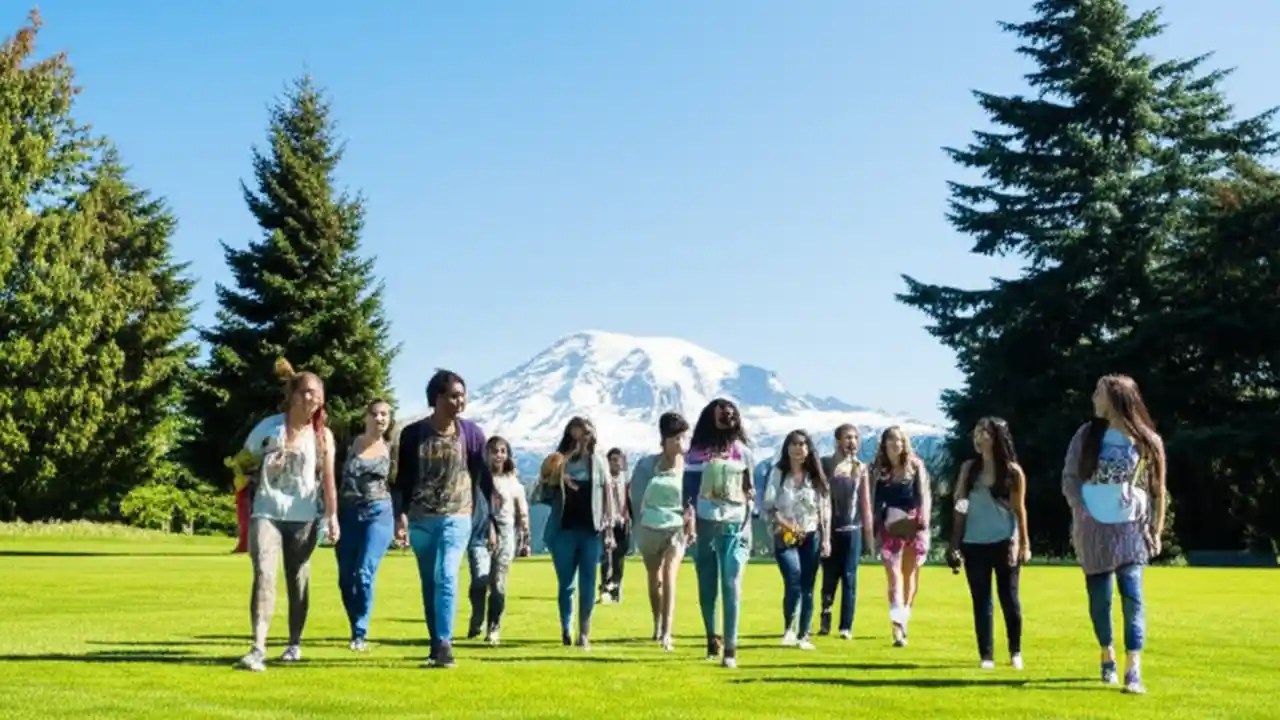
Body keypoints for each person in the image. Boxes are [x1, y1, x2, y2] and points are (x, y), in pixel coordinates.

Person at [1062, 374, 1167, 695]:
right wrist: (1080, 509)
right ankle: (1106, 653)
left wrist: (1156, 529)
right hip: (1093, 528)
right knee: (1100, 600)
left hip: (1131, 528)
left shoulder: (1148, 441)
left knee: (1133, 596)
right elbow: (1069, 478)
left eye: (1099, 392)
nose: (1094, 397)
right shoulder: (1086, 435)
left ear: (1116, 398)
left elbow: (1157, 490)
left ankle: (1133, 668)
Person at [235, 359, 339, 672]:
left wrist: (332, 517)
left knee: (298, 579)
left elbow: (329, 480)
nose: (314, 399)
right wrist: (260, 467)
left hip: (304, 516)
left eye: (318, 394)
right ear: (294, 396)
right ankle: (258, 647)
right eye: (308, 393)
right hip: (266, 511)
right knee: (264, 575)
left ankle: (294, 643)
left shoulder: (323, 437)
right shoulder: (268, 428)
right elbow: (242, 464)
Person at [394, 369, 494, 669]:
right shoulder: (413, 434)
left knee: (447, 574)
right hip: (421, 518)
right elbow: (403, 479)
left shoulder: (473, 434)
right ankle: (435, 642)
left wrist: (490, 522)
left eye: (462, 395)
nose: (460, 400)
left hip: (458, 515)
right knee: (429, 581)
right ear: (437, 397)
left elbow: (485, 479)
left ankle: (445, 644)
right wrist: (400, 514)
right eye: (453, 395)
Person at [947, 417, 1028, 670]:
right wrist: (955, 542)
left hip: (1004, 542)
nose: (979, 437)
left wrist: (1022, 542)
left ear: (997, 438)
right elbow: (961, 504)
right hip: (974, 542)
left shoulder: (1013, 472)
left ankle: (1015, 651)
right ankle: (986, 655)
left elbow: (1019, 509)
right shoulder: (969, 469)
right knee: (981, 601)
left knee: (1009, 599)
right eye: (977, 432)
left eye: (985, 433)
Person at [683, 398, 754, 669]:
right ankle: (712, 635)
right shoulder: (697, 453)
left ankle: (731, 648)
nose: (728, 417)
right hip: (705, 522)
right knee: (707, 581)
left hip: (735, 522)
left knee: (731, 580)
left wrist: (749, 506)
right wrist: (688, 516)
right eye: (722, 413)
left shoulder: (743, 451)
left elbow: (750, 489)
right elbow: (688, 488)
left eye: (732, 413)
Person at [532, 416, 613, 649]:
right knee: (566, 582)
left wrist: (608, 529)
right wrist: (558, 476)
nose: (584, 437)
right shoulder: (558, 461)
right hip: (564, 529)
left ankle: (584, 633)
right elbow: (543, 491)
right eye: (579, 433)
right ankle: (566, 627)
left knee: (588, 580)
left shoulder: (599, 462)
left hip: (591, 530)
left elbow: (608, 495)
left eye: (588, 433)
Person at [630, 412, 696, 650]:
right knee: (654, 576)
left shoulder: (689, 467)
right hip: (650, 527)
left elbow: (693, 498)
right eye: (674, 439)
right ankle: (657, 621)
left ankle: (667, 631)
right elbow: (636, 497)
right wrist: (638, 526)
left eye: (682, 438)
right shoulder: (647, 465)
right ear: (664, 441)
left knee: (670, 573)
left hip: (676, 528)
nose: (680, 444)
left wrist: (691, 520)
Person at [334, 399, 396, 652]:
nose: (380, 418)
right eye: (376, 414)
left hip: (378, 514)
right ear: (366, 417)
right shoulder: (349, 444)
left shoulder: (392, 449)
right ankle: (354, 626)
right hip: (347, 514)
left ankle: (360, 631)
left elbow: (400, 485)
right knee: (345, 578)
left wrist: (402, 519)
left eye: (385, 415)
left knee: (364, 573)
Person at [764, 430, 831, 650]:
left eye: (802, 444)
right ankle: (789, 629)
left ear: (808, 449)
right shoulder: (778, 473)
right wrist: (786, 524)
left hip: (811, 535)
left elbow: (824, 510)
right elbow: (769, 505)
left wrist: (826, 539)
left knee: (808, 585)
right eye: (793, 444)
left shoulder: (816, 476)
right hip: (785, 535)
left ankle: (804, 635)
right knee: (793, 578)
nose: (797, 448)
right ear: (786, 448)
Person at [871, 425, 932, 647]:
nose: (896, 444)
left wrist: (923, 520)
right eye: (891, 440)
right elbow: (872, 501)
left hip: (914, 525)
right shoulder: (878, 471)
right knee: (894, 577)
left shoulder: (916, 467)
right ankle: (896, 627)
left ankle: (905, 616)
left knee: (910, 576)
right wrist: (873, 530)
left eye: (899, 440)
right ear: (885, 443)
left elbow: (924, 496)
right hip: (889, 528)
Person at [468, 436, 529, 645]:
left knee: (498, 582)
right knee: (480, 578)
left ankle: (493, 627)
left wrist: (524, 534)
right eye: (494, 450)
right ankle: (477, 615)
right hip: (479, 531)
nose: (498, 455)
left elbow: (522, 510)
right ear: (487, 453)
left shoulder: (512, 481)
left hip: (505, 533)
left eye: (503, 450)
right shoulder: (477, 478)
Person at [819, 423, 874, 640]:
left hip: (853, 531)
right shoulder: (825, 464)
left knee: (850, 578)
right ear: (837, 441)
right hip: (830, 530)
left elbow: (865, 504)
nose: (852, 442)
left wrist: (869, 538)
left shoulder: (861, 468)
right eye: (847, 437)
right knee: (829, 577)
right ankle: (825, 617)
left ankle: (846, 626)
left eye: (855, 438)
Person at [598, 448, 630, 604]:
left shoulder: (626, 479)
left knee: (619, 557)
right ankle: (605, 587)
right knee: (606, 556)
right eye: (613, 459)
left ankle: (615, 588)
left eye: (618, 459)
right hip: (607, 522)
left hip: (623, 522)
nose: (616, 462)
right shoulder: (604, 479)